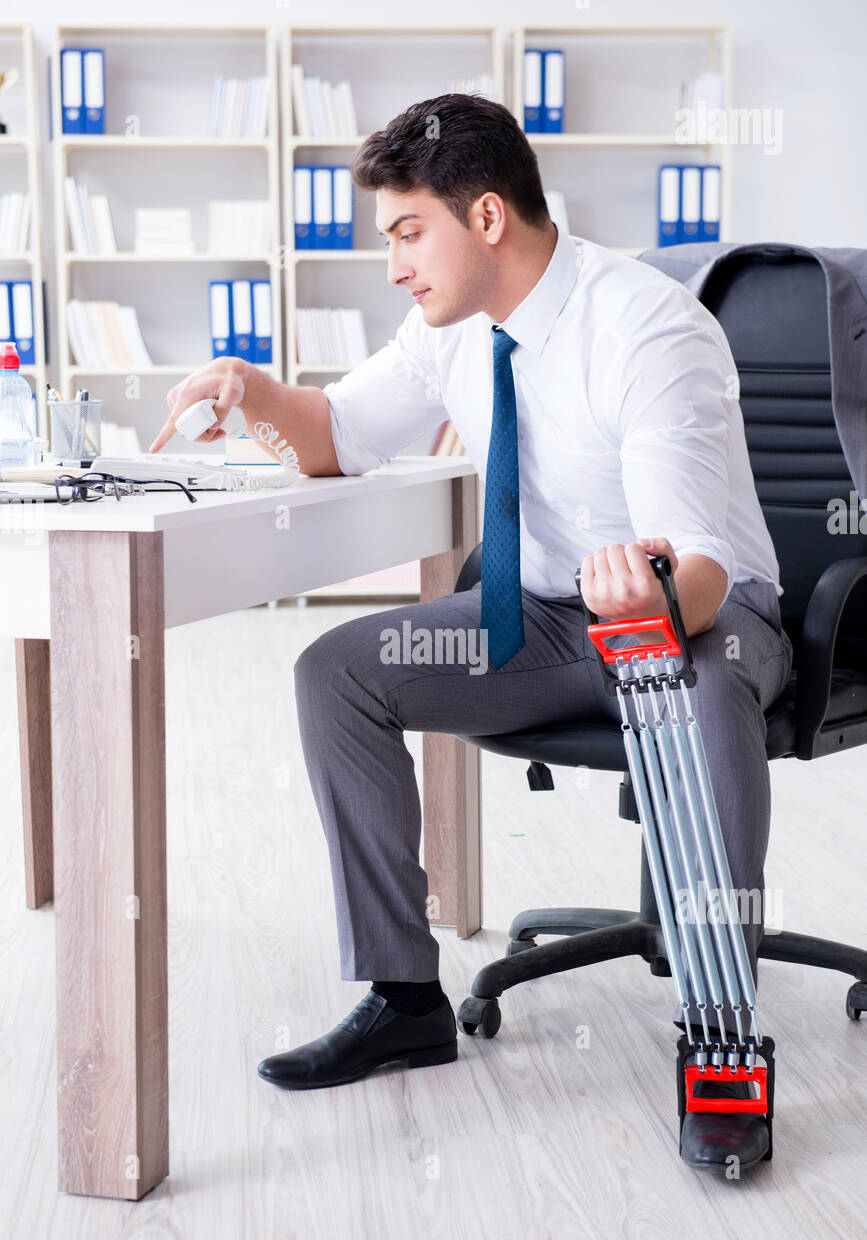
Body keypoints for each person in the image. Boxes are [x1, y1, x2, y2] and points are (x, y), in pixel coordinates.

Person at [151, 94, 793, 1172]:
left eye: (409, 233)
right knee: (340, 673)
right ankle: (405, 997)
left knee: (690, 677)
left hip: (704, 619)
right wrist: (252, 389)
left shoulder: (647, 326)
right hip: (544, 621)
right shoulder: (451, 330)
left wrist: (645, 601)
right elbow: (338, 438)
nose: (396, 264)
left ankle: (721, 1032)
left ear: (486, 217)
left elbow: (700, 570)